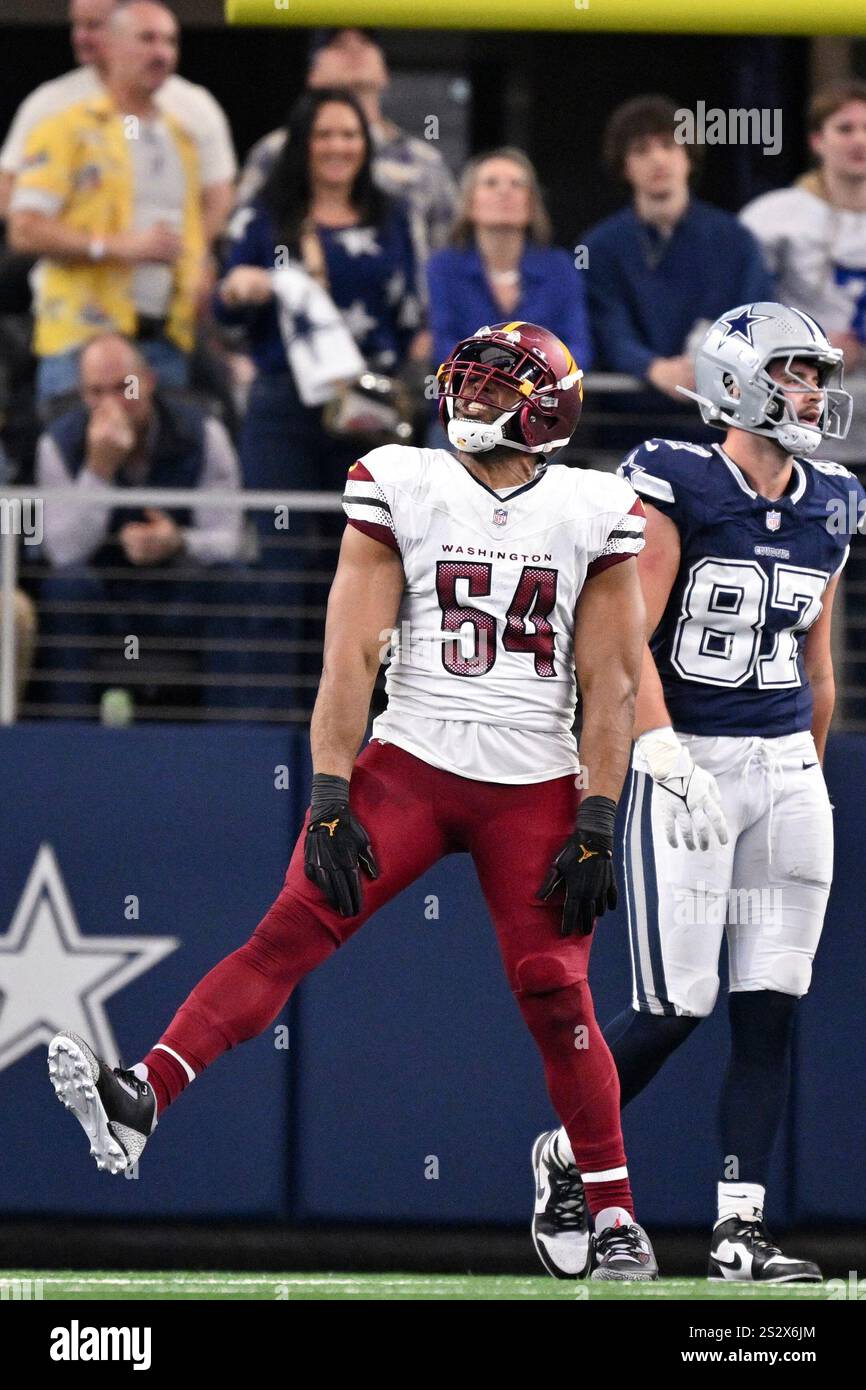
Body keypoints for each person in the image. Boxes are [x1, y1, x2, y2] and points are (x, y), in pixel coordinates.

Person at [48, 319, 660, 1282]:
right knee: (287, 932)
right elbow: (351, 652)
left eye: (495, 388)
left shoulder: (593, 506)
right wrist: (330, 791)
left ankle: (615, 1210)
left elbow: (613, 679)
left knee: (555, 987)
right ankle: (141, 1097)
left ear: (545, 410)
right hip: (410, 759)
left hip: (534, 779)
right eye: (467, 382)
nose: (470, 400)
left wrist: (598, 814)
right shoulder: (403, 481)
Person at [530, 302, 863, 1283]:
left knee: (769, 1007)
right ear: (737, 382)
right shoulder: (674, 478)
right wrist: (662, 755)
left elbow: (818, 658)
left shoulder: (833, 497)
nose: (812, 391)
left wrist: (800, 765)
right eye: (793, 373)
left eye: (814, 373)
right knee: (675, 1004)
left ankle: (737, 1233)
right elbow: (624, 637)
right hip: (687, 759)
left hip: (782, 773)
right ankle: (564, 1156)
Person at [215, 87, 421, 713]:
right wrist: (237, 289)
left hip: (367, 414)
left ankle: (367, 720)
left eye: (350, 135)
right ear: (303, 144)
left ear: (367, 144)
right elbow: (224, 321)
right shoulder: (262, 218)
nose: (337, 147)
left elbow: (410, 316)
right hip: (282, 409)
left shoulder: (392, 217)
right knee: (281, 563)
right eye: (324, 135)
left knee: (369, 567)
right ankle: (274, 717)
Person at [8, 1, 207, 406]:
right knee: (76, 462)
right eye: (147, 39)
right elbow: (24, 228)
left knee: (164, 461)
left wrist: (202, 274)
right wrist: (114, 247)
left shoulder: (181, 138)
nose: (161, 53)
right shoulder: (65, 128)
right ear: (109, 48)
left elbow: (193, 229)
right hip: (83, 345)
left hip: (163, 344)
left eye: (170, 41)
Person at [35, 333, 242, 712]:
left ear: (148, 381)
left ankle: (239, 744)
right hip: (107, 596)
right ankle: (67, 743)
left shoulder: (204, 433)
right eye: (96, 392)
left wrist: (177, 540)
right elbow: (62, 551)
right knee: (66, 586)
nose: (110, 403)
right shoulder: (58, 444)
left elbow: (227, 538)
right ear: (82, 394)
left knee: (236, 581)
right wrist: (99, 470)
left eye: (123, 387)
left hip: (179, 591)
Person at [0, 0, 236, 244]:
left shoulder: (184, 119)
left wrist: (190, 257)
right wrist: (92, 246)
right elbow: (14, 201)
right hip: (70, 266)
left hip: (165, 265)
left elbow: (217, 196)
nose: (81, 37)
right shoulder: (58, 112)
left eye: (94, 25)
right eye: (77, 24)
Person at [583, 95, 772, 400]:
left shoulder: (735, 239)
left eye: (669, 146)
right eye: (641, 150)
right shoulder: (599, 247)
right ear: (624, 167)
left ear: (689, 157)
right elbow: (605, 325)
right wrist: (651, 367)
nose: (658, 159)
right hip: (629, 417)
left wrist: (711, 362)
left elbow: (755, 315)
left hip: (720, 415)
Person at [236, 27, 457, 266]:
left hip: (396, 294)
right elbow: (240, 233)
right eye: (338, 44)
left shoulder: (423, 160)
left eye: (366, 41)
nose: (354, 50)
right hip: (298, 289)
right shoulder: (276, 151)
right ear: (313, 72)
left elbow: (452, 251)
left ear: (384, 72)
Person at [740, 78, 866, 463]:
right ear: (817, 140)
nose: (859, 140)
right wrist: (810, 347)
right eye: (844, 128)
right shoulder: (773, 217)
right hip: (797, 419)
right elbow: (743, 315)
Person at [426, 149, 592, 377]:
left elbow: (578, 348)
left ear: (532, 203)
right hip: (465, 401)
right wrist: (499, 377)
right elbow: (442, 345)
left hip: (539, 402)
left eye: (517, 184)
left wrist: (527, 378)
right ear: (469, 202)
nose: (505, 191)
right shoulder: (443, 267)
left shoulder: (560, 268)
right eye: (491, 183)